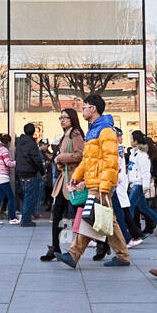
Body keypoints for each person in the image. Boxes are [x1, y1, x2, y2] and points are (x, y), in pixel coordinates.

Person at [57, 93, 131, 270]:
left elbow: (110, 160)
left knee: (92, 217)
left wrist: (104, 186)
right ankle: (122, 255)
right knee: (105, 219)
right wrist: (78, 176)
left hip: (100, 184)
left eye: (84, 107)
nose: (82, 110)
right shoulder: (94, 130)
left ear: (93, 109)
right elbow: (88, 159)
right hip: (96, 183)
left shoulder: (105, 130)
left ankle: (73, 255)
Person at [42, 109, 85, 261]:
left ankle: (101, 243)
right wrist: (59, 161)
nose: (62, 120)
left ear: (72, 119)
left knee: (80, 215)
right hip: (64, 179)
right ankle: (55, 247)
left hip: (74, 179)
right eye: (60, 117)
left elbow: (80, 155)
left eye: (65, 117)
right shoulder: (65, 135)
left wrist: (61, 157)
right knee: (57, 212)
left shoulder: (76, 134)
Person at [126, 132, 157, 238]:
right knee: (144, 208)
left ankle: (130, 232)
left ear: (136, 141)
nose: (130, 140)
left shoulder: (142, 155)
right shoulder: (133, 153)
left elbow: (146, 171)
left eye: (131, 138)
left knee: (130, 208)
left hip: (138, 184)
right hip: (134, 183)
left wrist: (145, 186)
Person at [14, 123, 45, 227]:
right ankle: (26, 219)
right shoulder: (31, 143)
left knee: (25, 195)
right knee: (29, 196)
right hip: (30, 173)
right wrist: (42, 172)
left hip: (21, 172)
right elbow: (37, 159)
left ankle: (25, 217)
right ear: (33, 132)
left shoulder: (19, 142)